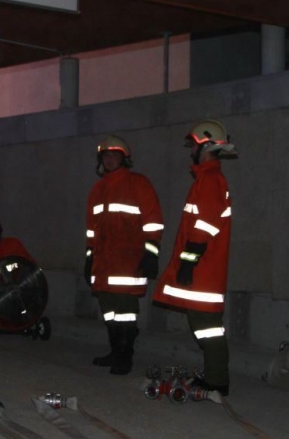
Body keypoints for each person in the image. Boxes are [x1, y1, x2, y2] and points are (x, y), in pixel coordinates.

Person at [153, 120, 238, 396]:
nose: (190, 151)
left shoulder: (210, 180)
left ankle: (217, 381)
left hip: (204, 269)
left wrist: (189, 261)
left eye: (193, 146)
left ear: (206, 146)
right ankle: (215, 377)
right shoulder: (208, 179)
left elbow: (204, 227)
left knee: (208, 328)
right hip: (204, 268)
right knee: (204, 327)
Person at [85, 135, 163, 375]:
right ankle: (115, 352)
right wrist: (89, 256)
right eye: (105, 155)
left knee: (126, 313)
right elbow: (92, 229)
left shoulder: (138, 183)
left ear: (124, 158)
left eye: (114, 155)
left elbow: (153, 221)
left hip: (127, 263)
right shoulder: (98, 189)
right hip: (103, 264)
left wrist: (151, 252)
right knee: (109, 312)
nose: (109, 159)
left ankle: (125, 356)